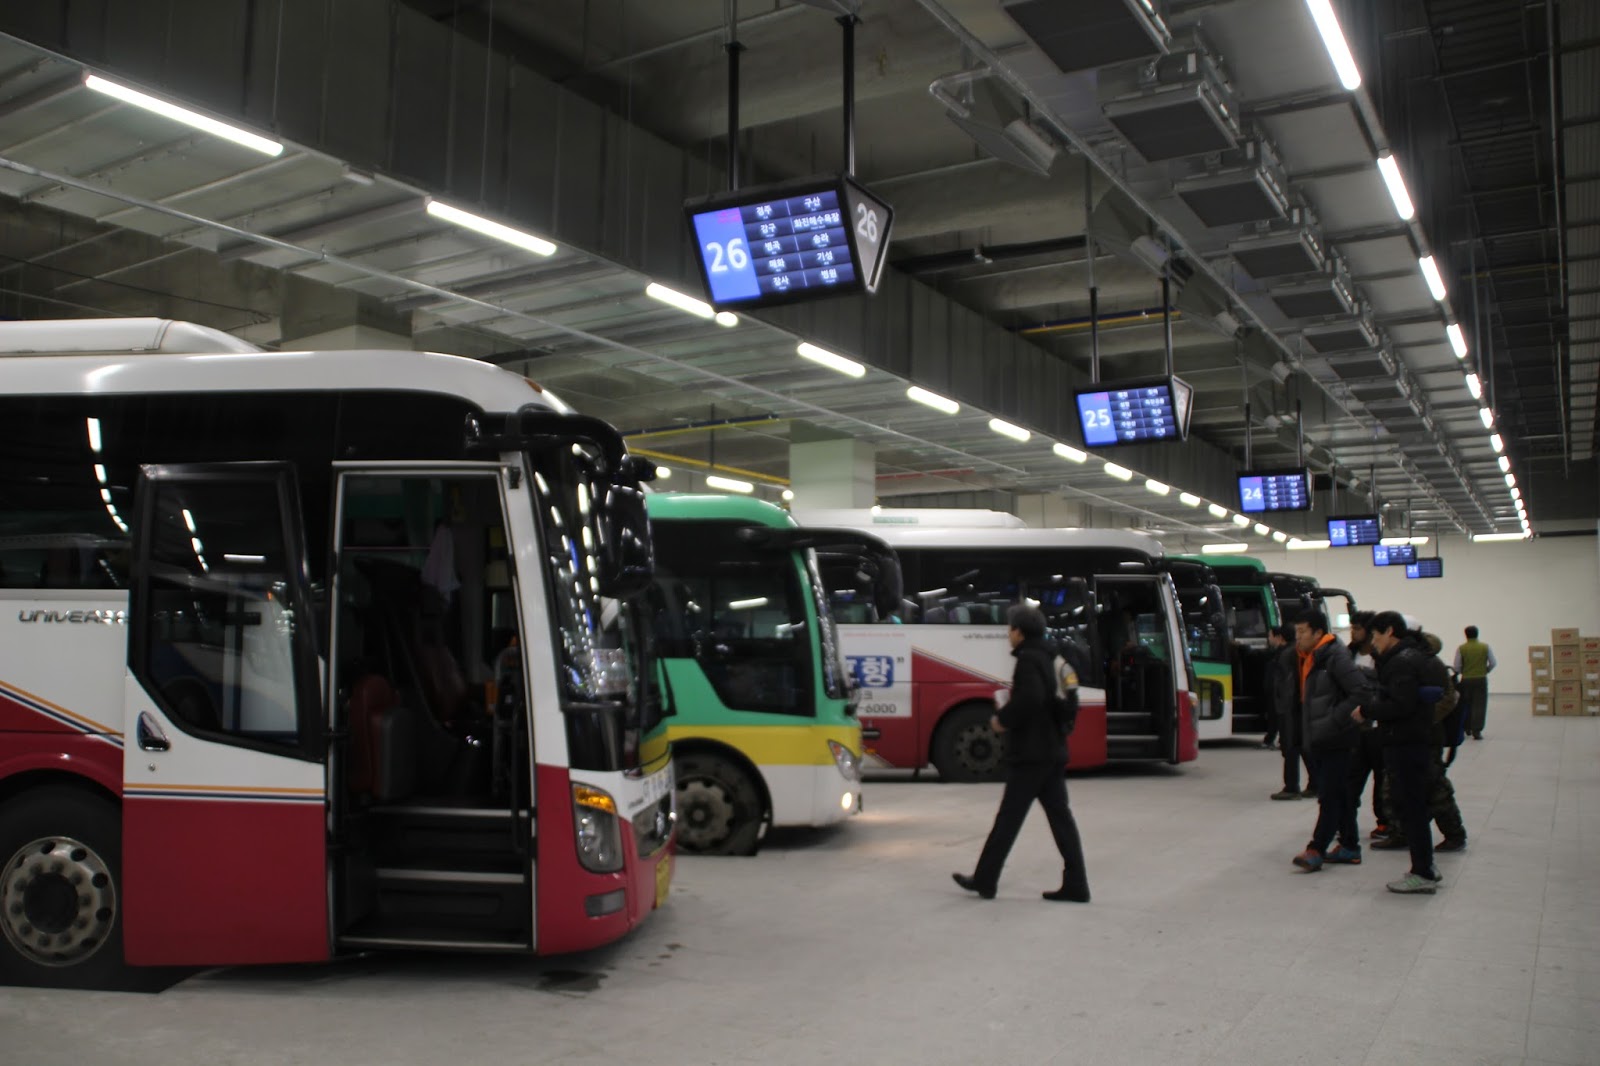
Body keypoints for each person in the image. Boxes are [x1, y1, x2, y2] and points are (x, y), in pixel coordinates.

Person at [954, 605, 1089, 903]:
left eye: (1009, 629)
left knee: (1008, 820)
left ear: (1019, 631)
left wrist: (1003, 719)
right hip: (1052, 750)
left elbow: (1031, 698)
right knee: (1061, 819)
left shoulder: (1028, 659)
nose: (1008, 635)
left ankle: (985, 880)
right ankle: (1077, 883)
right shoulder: (1050, 656)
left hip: (1031, 754)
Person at [1354, 612, 1441, 894]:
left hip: (1405, 742)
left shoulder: (1401, 663)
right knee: (1414, 806)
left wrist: (1366, 710)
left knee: (1411, 808)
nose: (1374, 643)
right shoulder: (1416, 656)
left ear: (1389, 631)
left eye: (1377, 636)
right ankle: (1425, 864)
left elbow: (1400, 705)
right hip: (1415, 740)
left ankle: (1423, 872)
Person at [1290, 610, 1373, 871]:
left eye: (1302, 632)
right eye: (1296, 633)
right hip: (1320, 737)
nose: (1298, 638)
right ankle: (1349, 846)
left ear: (1318, 633)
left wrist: (1334, 720)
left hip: (1337, 737)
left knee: (1330, 796)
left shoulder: (1335, 656)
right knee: (1341, 795)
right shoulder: (1310, 657)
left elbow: (1361, 690)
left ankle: (1317, 848)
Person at [1345, 612, 1389, 836]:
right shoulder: (1347, 654)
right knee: (1351, 777)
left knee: (1381, 777)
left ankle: (1384, 821)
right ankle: (1345, 821)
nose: (1353, 632)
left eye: (1358, 628)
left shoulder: (1382, 657)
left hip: (1377, 726)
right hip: (1354, 727)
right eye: (1352, 628)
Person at [1270, 625, 1317, 801]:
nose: (1299, 636)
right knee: (1301, 747)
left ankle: (1291, 787)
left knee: (1290, 747)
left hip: (1291, 708)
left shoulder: (1288, 654)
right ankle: (1315, 783)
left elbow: (1286, 684)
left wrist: (1282, 708)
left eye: (1302, 632)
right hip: (1298, 707)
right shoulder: (1297, 652)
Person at [1454, 625, 1497, 740]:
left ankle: (1466, 727)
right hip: (1481, 679)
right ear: (1477, 634)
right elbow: (1493, 663)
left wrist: (1463, 671)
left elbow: (1457, 667)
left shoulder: (1461, 648)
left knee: (1466, 704)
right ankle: (1476, 730)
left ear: (1465, 635)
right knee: (1479, 704)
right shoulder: (1485, 647)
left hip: (1466, 679)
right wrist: (1485, 670)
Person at [1260, 626, 1289, 749]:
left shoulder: (1283, 654)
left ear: (1278, 637)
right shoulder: (1277, 653)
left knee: (1277, 716)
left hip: (1278, 691)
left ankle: (1277, 740)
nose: (1268, 639)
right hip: (1275, 690)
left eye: (1270, 636)